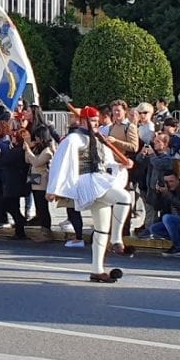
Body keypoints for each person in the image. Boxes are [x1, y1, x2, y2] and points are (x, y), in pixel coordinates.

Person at [46, 106, 133, 282]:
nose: (95, 123)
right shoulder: (73, 139)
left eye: (96, 120)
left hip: (99, 180)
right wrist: (52, 189)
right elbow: (60, 163)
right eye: (92, 121)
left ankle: (97, 270)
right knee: (124, 197)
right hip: (87, 182)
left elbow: (106, 162)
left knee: (101, 229)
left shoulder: (98, 138)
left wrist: (121, 165)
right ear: (83, 121)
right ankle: (117, 240)